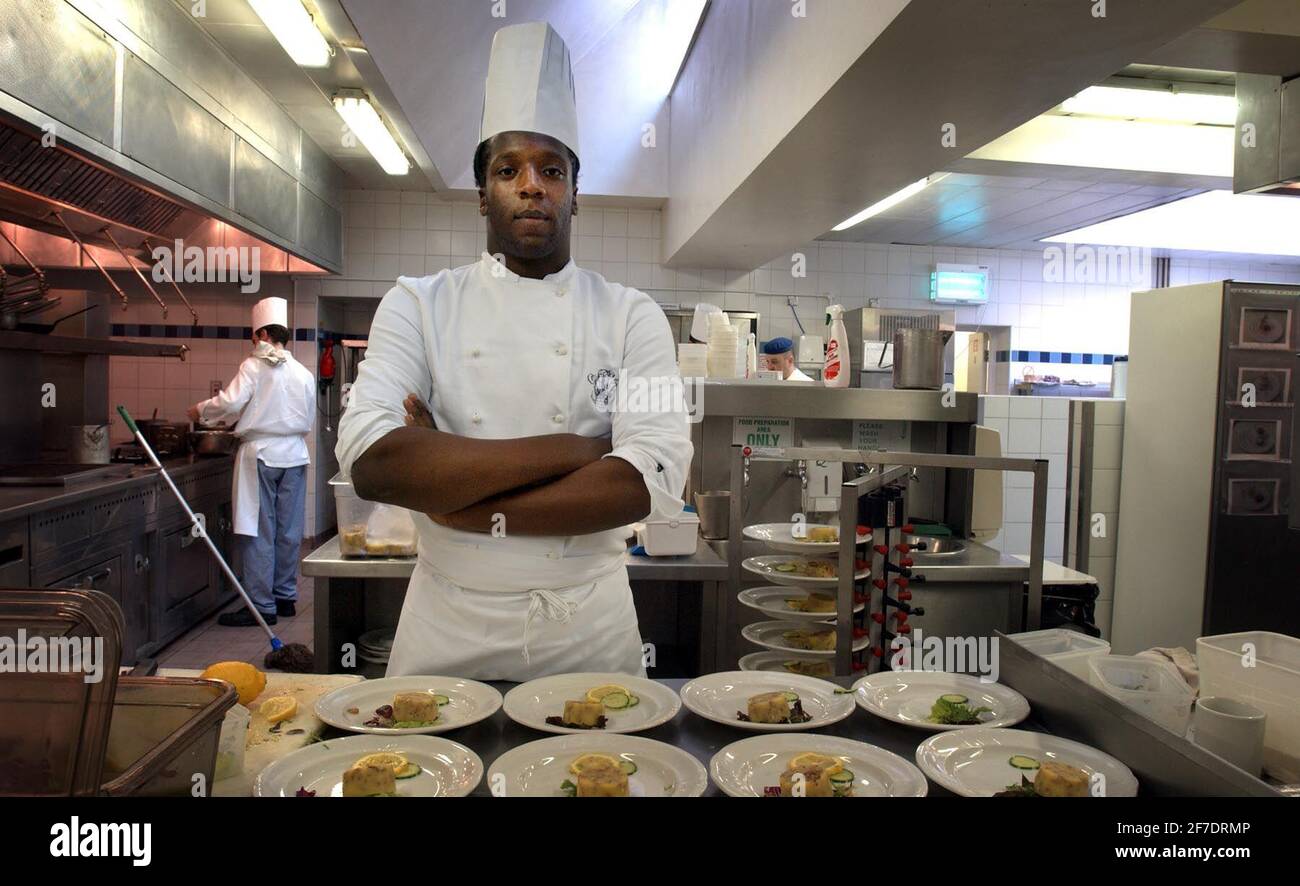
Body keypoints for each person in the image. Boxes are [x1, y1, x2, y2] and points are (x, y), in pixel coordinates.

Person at [335, 22, 692, 681]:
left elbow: (650, 479)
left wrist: (451, 495)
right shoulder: (418, 304)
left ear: (575, 194)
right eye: (509, 170)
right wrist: (580, 450)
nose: (532, 185)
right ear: (482, 194)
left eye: (551, 170)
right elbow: (374, 461)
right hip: (447, 630)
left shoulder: (632, 314)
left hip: (588, 632)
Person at [188, 296, 316, 626]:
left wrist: (201, 409)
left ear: (259, 335)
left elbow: (230, 404)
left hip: (261, 455)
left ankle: (261, 605)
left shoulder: (253, 367)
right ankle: (285, 597)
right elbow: (308, 417)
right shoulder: (303, 373)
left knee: (260, 532)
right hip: (295, 456)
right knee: (289, 532)